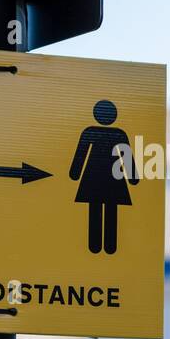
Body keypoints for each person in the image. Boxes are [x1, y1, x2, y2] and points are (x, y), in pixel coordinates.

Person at [69, 99, 137, 254]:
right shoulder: (118, 134)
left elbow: (81, 154)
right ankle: (108, 246)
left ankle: (96, 246)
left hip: (93, 177)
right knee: (110, 210)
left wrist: (75, 173)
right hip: (113, 178)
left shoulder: (91, 132)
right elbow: (126, 157)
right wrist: (133, 178)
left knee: (96, 209)